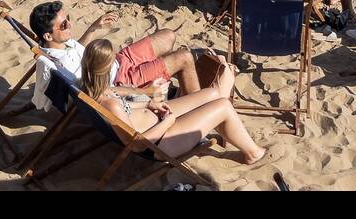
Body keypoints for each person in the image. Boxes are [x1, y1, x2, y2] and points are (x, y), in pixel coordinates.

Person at [80, 39, 265, 165]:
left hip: (157, 118)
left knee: (213, 93)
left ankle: (219, 123)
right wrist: (168, 121)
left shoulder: (95, 90)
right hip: (161, 141)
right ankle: (253, 153)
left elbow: (128, 101)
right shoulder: (109, 104)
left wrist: (151, 101)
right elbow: (136, 145)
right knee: (223, 105)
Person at [28, 1, 204, 110]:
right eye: (64, 25)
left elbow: (77, 50)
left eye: (68, 19)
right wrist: (145, 91)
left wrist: (92, 29)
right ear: (48, 36)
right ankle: (197, 109)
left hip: (119, 60)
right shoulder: (61, 67)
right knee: (184, 57)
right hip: (123, 79)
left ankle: (180, 89)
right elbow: (98, 91)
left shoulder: (56, 46)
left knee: (168, 35)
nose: (70, 25)